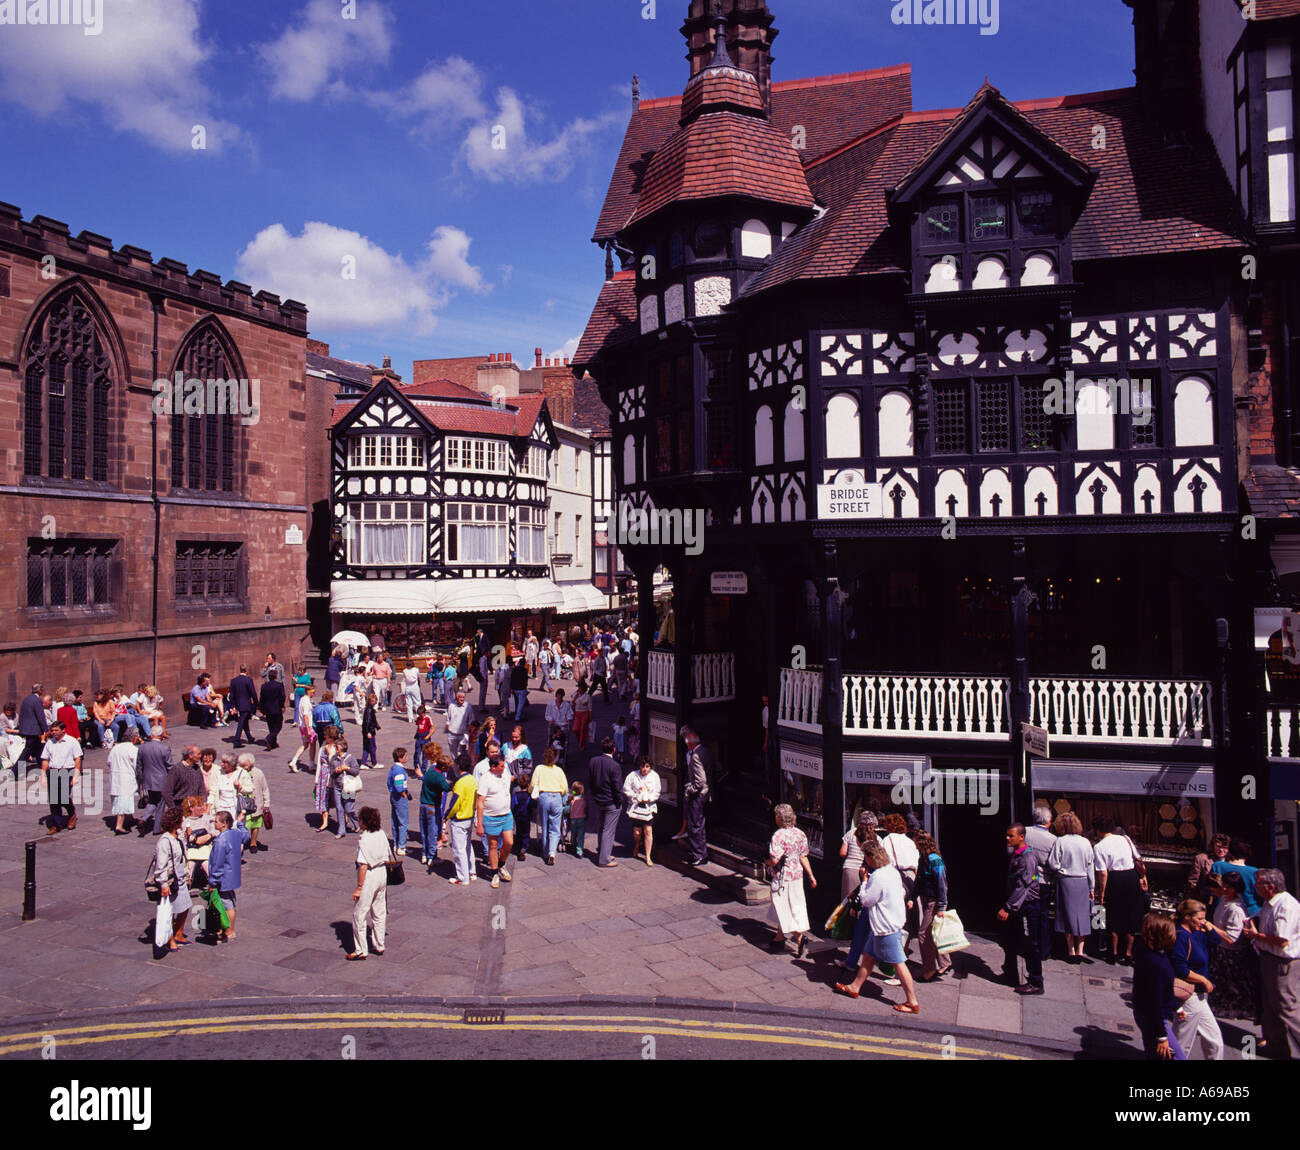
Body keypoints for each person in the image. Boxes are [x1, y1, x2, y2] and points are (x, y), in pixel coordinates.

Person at [835, 843, 921, 1013]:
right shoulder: (892, 871)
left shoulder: (878, 876)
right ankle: (854, 987)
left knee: (899, 963)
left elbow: (867, 901)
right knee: (868, 956)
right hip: (889, 923)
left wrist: (865, 881)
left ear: (871, 857)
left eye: (866, 857)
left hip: (885, 927)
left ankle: (912, 1001)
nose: (865, 861)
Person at [1243, 868, 1300, 1059]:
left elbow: (1282, 940)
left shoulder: (1286, 905)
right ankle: (1278, 1048)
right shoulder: (1269, 903)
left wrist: (1256, 935)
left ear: (1270, 886)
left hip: (1283, 963)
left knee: (1287, 1008)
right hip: (1268, 959)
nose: (1254, 887)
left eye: (1257, 883)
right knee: (1269, 1006)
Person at [1171, 898, 1227, 1060]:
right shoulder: (1181, 937)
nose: (1203, 922)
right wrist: (1203, 980)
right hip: (1189, 995)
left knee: (1215, 1041)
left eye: (1204, 918)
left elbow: (1216, 941)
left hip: (1201, 997)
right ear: (1187, 917)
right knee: (1182, 1042)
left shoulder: (1197, 933)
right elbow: (1181, 969)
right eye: (1200, 919)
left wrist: (1208, 927)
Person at [997, 823, 1044, 995]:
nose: (1007, 838)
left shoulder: (1027, 858)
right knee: (1009, 940)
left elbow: (1022, 887)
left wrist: (1008, 908)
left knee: (1030, 944)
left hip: (1027, 907)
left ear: (1021, 837)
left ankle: (1036, 982)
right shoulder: (1016, 854)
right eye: (1007, 835)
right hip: (1017, 906)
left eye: (1011, 836)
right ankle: (1010, 973)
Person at [1208, 871, 1260, 1022]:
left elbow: (1231, 938)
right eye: (1224, 885)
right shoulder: (1224, 900)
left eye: (1229, 887)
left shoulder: (1236, 909)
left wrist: (1210, 927)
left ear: (1236, 889)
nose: (1224, 889)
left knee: (1235, 988)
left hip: (1232, 955)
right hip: (1222, 951)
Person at [1133, 912, 1185, 1059]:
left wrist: (1176, 1006)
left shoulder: (1149, 954)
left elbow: (1162, 989)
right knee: (1177, 1058)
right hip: (1154, 1018)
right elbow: (1154, 1001)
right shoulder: (1157, 964)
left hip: (1145, 1014)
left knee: (1153, 1054)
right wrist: (1161, 1036)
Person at [767, 803, 816, 955]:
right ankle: (779, 937)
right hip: (797, 876)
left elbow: (774, 860)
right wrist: (811, 875)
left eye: (776, 816)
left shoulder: (778, 835)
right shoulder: (800, 834)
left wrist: (765, 862)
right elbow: (803, 856)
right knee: (791, 906)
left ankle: (800, 938)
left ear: (780, 819)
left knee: (782, 907)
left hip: (782, 877)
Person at [1094, 820, 1145, 965]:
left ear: (1098, 830)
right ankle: (1128, 954)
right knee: (1131, 917)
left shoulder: (1099, 847)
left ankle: (1113, 953)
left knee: (1113, 916)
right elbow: (1138, 858)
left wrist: (1102, 892)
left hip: (1114, 879)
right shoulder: (1125, 839)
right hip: (1131, 878)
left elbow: (1103, 873)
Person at [1046, 811, 1094, 963]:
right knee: (1082, 917)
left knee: (1067, 916)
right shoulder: (1085, 842)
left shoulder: (1060, 841)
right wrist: (1092, 887)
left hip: (1066, 881)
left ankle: (1071, 951)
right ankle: (1080, 950)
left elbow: (1053, 863)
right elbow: (1090, 867)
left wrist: (1060, 869)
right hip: (1082, 881)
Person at [347, 805, 391, 960]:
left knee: (359, 914)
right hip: (382, 873)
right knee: (379, 912)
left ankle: (360, 950)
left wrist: (359, 887)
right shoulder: (382, 834)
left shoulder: (364, 839)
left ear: (365, 822)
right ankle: (379, 945)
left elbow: (363, 866)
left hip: (370, 876)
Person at [914, 832, 952, 982]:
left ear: (921, 843)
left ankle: (930, 969)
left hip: (933, 901)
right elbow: (919, 880)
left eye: (915, 841)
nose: (913, 844)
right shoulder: (922, 858)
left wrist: (942, 906)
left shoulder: (935, 860)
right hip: (925, 899)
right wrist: (912, 897)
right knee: (934, 931)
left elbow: (942, 884)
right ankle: (945, 962)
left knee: (923, 933)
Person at [207, 811, 250, 943]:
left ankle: (229, 930)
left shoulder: (220, 841)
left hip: (224, 878)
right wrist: (240, 822)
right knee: (230, 901)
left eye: (216, 821)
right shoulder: (235, 833)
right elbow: (246, 836)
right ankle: (226, 929)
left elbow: (217, 864)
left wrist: (213, 882)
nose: (214, 823)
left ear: (223, 824)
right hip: (233, 875)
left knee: (227, 905)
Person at [154, 807, 193, 954]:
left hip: (181, 878)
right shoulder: (164, 841)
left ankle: (179, 933)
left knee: (185, 906)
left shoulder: (178, 836)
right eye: (181, 819)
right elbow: (161, 866)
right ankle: (170, 940)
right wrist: (163, 884)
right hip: (171, 881)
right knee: (169, 911)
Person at [475, 752, 514, 888]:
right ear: (493, 767)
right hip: (491, 818)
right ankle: (494, 873)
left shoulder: (505, 772)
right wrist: (479, 824)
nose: (504, 768)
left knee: (509, 842)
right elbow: (480, 802)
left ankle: (501, 865)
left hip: (506, 815)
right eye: (501, 766)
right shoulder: (486, 779)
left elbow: (510, 779)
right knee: (493, 846)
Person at [526, 747, 569, 866]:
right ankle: (552, 853)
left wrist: (530, 791)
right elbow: (565, 788)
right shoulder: (559, 770)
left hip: (544, 797)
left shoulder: (539, 769)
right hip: (556, 797)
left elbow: (533, 784)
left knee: (544, 824)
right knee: (555, 827)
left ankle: (545, 852)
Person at [588, 737, 624, 867]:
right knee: (609, 830)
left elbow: (591, 781)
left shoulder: (593, 761)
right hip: (611, 802)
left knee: (601, 827)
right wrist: (620, 800)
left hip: (599, 800)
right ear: (614, 749)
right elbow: (617, 787)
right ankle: (604, 858)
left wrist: (594, 795)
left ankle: (603, 852)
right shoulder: (615, 766)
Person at [679, 726, 712, 866]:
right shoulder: (706, 751)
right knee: (699, 824)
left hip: (698, 796)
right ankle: (700, 853)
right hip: (706, 793)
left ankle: (699, 855)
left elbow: (700, 781)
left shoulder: (695, 756)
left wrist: (690, 789)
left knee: (695, 825)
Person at [135, 724, 174, 836]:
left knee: (152, 801)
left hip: (148, 779)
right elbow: (170, 766)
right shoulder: (165, 748)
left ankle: (143, 819)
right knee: (161, 803)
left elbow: (139, 766)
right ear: (161, 735)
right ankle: (157, 828)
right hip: (162, 780)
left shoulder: (142, 747)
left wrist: (140, 779)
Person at [445, 755, 478, 885]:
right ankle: (472, 871)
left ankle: (463, 877)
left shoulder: (460, 783)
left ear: (458, 766)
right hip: (469, 817)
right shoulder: (472, 780)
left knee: (458, 849)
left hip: (459, 819)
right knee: (467, 846)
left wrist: (446, 816)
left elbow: (454, 804)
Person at [623, 755, 660, 867]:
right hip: (636, 807)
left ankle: (648, 856)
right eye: (643, 766)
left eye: (647, 766)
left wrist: (648, 798)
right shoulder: (632, 775)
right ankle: (638, 844)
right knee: (637, 832)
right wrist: (635, 796)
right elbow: (626, 789)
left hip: (649, 807)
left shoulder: (655, 777)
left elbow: (657, 792)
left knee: (648, 830)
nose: (645, 769)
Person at [419, 753, 454, 869]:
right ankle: (432, 857)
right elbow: (446, 788)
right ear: (443, 768)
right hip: (432, 806)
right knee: (433, 832)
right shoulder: (439, 776)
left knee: (424, 831)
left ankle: (424, 854)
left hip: (423, 804)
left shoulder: (431, 769)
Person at [1210, 839, 1261, 918]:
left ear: (1229, 852)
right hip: (1251, 913)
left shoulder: (1217, 866)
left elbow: (1209, 889)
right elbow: (1260, 894)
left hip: (1223, 911)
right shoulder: (1254, 872)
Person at [107, 727, 143, 834]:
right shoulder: (133, 749)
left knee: (119, 798)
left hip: (115, 776)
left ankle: (130, 818)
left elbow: (108, 762)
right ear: (134, 737)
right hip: (126, 777)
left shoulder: (115, 748)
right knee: (124, 800)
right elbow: (137, 765)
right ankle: (119, 826)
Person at [840, 811, 877, 899]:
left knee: (848, 902)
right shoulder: (875, 837)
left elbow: (842, 853)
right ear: (872, 824)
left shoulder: (851, 833)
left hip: (850, 869)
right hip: (866, 871)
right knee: (861, 901)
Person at [239, 752, 271, 855]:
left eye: (245, 765)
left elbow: (265, 789)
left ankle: (253, 843)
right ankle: (241, 845)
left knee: (255, 824)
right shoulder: (239, 773)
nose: (244, 767)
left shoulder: (258, 773)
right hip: (243, 803)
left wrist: (266, 804)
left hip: (256, 803)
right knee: (242, 824)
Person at [331, 737, 362, 839]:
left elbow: (356, 771)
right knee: (339, 808)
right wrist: (336, 771)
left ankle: (358, 822)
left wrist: (347, 768)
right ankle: (341, 830)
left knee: (349, 809)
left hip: (348, 786)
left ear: (342, 747)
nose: (335, 748)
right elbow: (331, 774)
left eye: (337, 746)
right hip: (337, 787)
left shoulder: (350, 758)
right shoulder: (334, 758)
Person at [1187, 833, 1231, 903]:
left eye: (1225, 847)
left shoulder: (1231, 861)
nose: (1221, 850)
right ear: (1212, 846)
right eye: (1218, 846)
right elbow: (1192, 882)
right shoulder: (1201, 859)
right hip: (1205, 900)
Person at [313, 725, 341, 832]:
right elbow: (319, 764)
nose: (325, 737)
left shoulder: (337, 748)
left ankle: (343, 819)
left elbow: (334, 763)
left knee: (338, 799)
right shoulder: (323, 746)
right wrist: (316, 779)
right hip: (323, 777)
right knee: (323, 799)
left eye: (327, 736)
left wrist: (330, 754)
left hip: (333, 777)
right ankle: (324, 821)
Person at [17, 682, 48, 774]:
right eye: (42, 689)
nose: (42, 691)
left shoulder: (26, 699)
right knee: (27, 751)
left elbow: (22, 715)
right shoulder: (36, 700)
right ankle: (15, 771)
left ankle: (43, 768)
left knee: (39, 750)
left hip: (27, 729)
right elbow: (40, 716)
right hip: (33, 730)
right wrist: (45, 729)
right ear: (39, 690)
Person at [387, 747, 412, 857]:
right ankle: (401, 846)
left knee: (395, 821)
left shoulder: (393, 768)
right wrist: (403, 794)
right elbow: (399, 785)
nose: (407, 758)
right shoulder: (400, 770)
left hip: (393, 796)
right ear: (400, 758)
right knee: (403, 822)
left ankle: (396, 844)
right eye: (405, 756)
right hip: (399, 797)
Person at [289, 685, 317, 772]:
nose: (314, 694)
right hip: (307, 726)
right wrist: (309, 729)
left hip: (302, 726)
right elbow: (306, 716)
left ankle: (294, 761)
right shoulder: (306, 702)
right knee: (313, 743)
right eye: (313, 692)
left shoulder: (303, 699)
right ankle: (311, 764)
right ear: (309, 691)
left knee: (305, 744)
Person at [228, 664, 258, 748]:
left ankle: (250, 738)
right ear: (246, 671)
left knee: (244, 721)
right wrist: (256, 704)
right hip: (246, 704)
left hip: (238, 704)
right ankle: (236, 740)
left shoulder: (233, 681)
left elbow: (231, 695)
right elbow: (253, 693)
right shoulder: (248, 680)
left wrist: (232, 705)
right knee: (241, 722)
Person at [258, 670, 286, 751]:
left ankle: (273, 743)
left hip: (268, 709)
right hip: (276, 708)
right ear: (276, 676)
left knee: (271, 726)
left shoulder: (264, 686)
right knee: (278, 726)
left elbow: (262, 698)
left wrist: (262, 709)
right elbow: (282, 697)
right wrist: (282, 706)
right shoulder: (279, 685)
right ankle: (269, 738)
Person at [445, 689, 471, 757]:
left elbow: (471, 720)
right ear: (457, 698)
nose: (462, 699)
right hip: (452, 734)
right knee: (453, 754)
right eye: (460, 697)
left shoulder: (468, 706)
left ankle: (461, 767)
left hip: (462, 734)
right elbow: (448, 719)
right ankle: (455, 767)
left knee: (461, 754)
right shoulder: (451, 706)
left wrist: (468, 732)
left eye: (463, 697)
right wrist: (448, 728)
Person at [567, 781, 587, 858]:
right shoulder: (583, 800)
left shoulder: (571, 799)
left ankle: (573, 845)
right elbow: (586, 809)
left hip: (573, 820)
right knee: (580, 836)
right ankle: (579, 851)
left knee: (573, 834)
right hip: (581, 819)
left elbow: (567, 809)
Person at [360, 692, 380, 768]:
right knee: (372, 747)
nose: (374, 702)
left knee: (366, 747)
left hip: (365, 731)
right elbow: (368, 722)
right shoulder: (370, 710)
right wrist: (368, 731)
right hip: (369, 731)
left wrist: (377, 726)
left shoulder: (368, 709)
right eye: (373, 701)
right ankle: (374, 763)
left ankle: (363, 763)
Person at [412, 706, 433, 775]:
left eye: (421, 715)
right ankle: (417, 769)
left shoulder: (428, 718)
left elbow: (433, 729)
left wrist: (428, 736)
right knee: (416, 755)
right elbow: (418, 726)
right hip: (419, 737)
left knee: (425, 756)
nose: (420, 716)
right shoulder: (418, 719)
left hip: (425, 738)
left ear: (424, 713)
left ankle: (423, 771)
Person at [572, 684, 593, 750]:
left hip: (585, 713)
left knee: (583, 729)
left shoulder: (587, 696)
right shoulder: (575, 694)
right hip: (577, 713)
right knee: (575, 729)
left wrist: (590, 716)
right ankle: (580, 741)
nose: (579, 689)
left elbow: (590, 707)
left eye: (580, 687)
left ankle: (581, 744)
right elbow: (572, 703)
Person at [510, 658, 529, 723]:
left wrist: (511, 688)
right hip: (522, 688)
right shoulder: (524, 670)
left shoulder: (514, 669)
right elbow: (525, 680)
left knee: (519, 702)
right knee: (521, 703)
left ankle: (522, 715)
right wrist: (525, 687)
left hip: (515, 688)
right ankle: (517, 717)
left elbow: (512, 679)